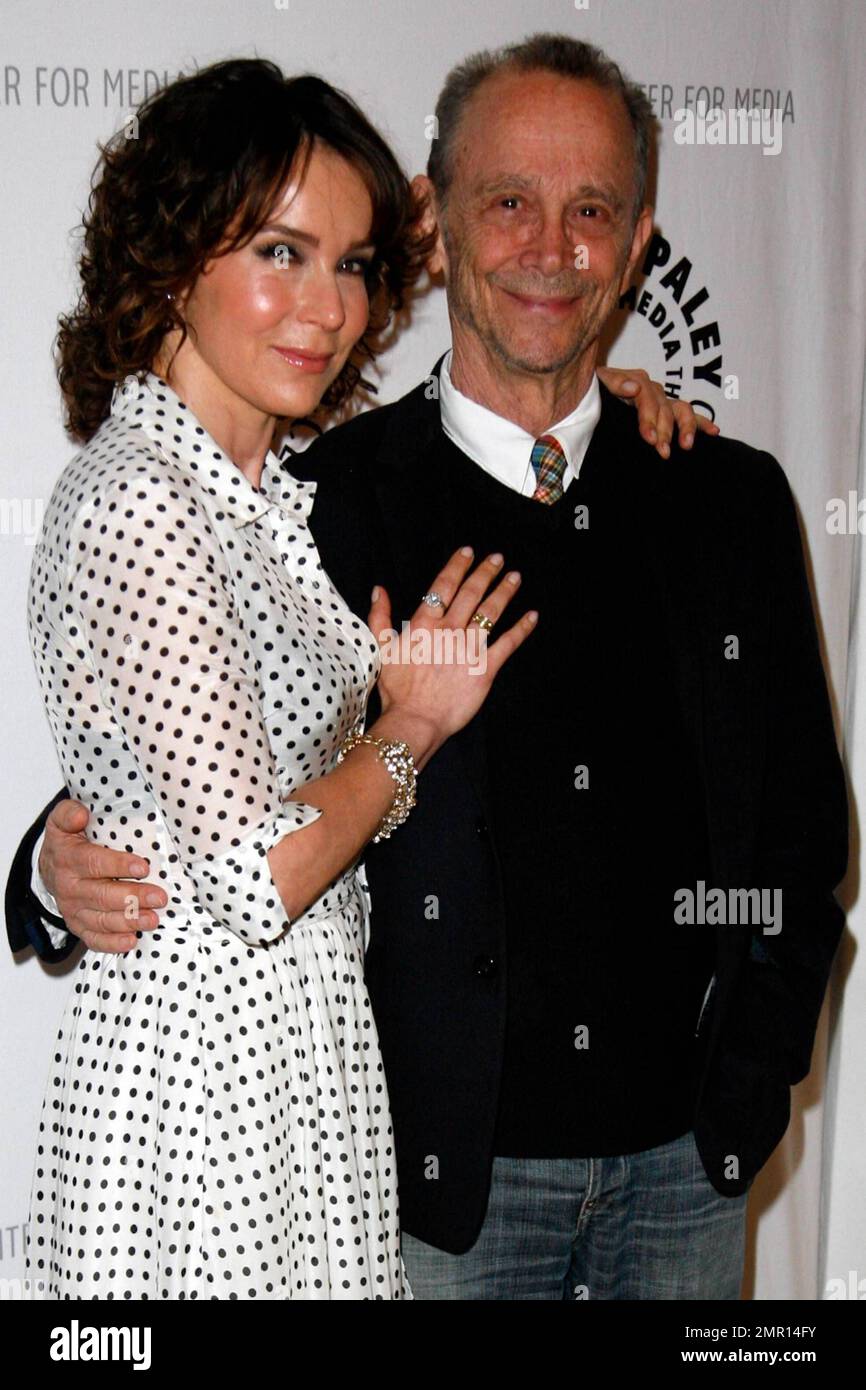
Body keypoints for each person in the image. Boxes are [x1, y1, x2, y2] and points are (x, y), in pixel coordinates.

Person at [9, 37, 799, 1302]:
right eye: (507, 202)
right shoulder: (312, 493)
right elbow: (179, 762)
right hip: (421, 1189)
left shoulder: (724, 497)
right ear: (440, 222)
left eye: (589, 209)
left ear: (636, 240)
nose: (549, 247)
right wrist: (52, 860)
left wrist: (745, 1091)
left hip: (676, 1178)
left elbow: (797, 828)